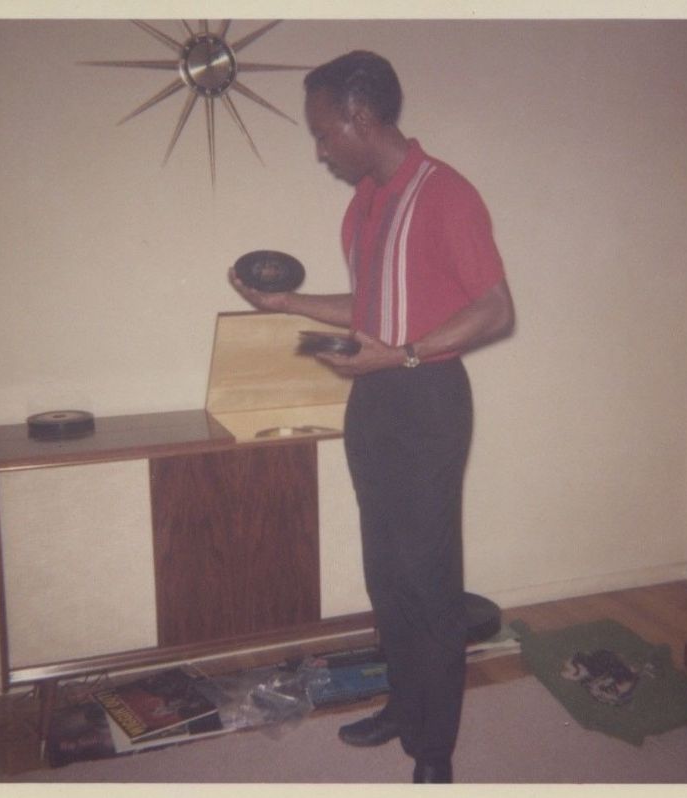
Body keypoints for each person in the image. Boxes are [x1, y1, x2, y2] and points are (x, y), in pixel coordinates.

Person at [230, 50, 514, 784]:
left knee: (427, 577)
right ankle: (404, 706)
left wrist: (402, 356)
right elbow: (369, 308)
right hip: (377, 400)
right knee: (386, 573)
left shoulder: (446, 192)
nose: (320, 147)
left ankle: (436, 750)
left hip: (426, 397)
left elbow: (493, 308)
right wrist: (286, 306)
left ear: (361, 117)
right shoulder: (364, 203)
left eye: (324, 132)